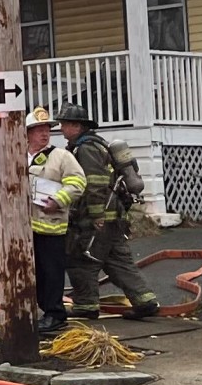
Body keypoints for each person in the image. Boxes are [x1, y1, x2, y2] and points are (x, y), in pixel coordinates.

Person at [60, 103, 158, 321]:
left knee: (80, 259)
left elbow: (94, 184)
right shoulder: (97, 145)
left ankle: (86, 305)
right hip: (114, 218)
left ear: (76, 126)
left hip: (97, 219)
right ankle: (145, 301)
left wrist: (95, 217)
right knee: (118, 262)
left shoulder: (86, 149)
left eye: (64, 124)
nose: (61, 128)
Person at [24, 108, 85, 336]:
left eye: (47, 129)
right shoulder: (18, 155)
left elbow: (78, 183)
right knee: (34, 274)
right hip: (25, 229)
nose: (44, 134)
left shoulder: (61, 157)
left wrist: (58, 200)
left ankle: (55, 315)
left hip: (51, 227)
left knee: (51, 273)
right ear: (28, 133)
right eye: (39, 129)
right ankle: (41, 312)